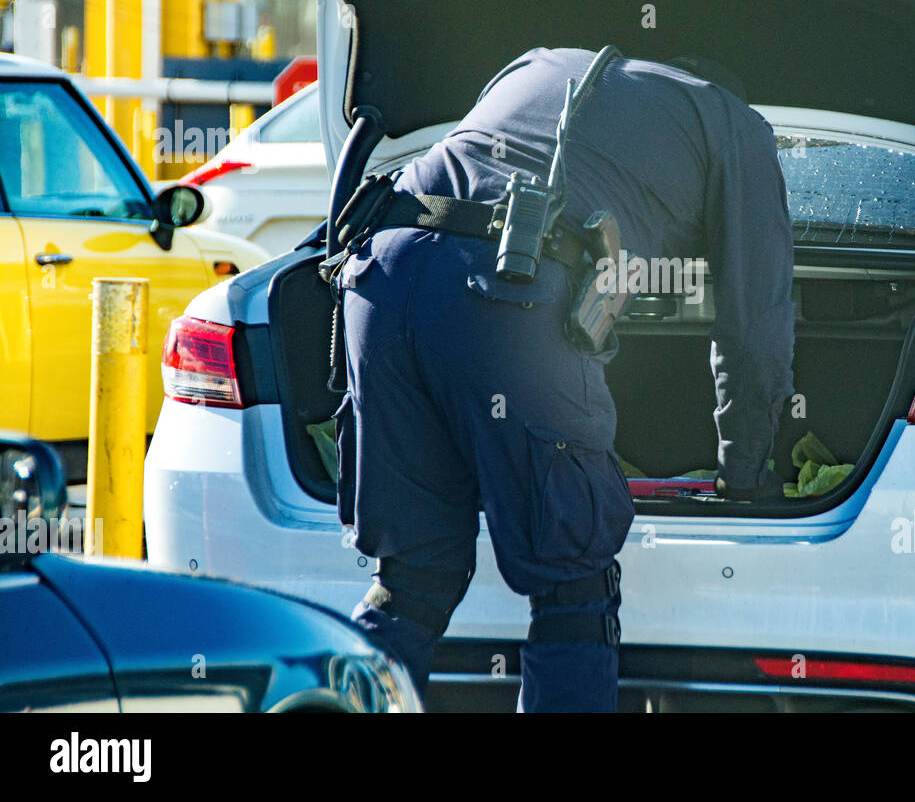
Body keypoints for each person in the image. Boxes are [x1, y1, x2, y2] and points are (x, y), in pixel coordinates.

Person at [334, 46, 794, 712]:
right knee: (572, 591)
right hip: (506, 292)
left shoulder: (536, 64)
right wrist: (746, 475)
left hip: (379, 276)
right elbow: (756, 327)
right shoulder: (738, 126)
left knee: (408, 585)